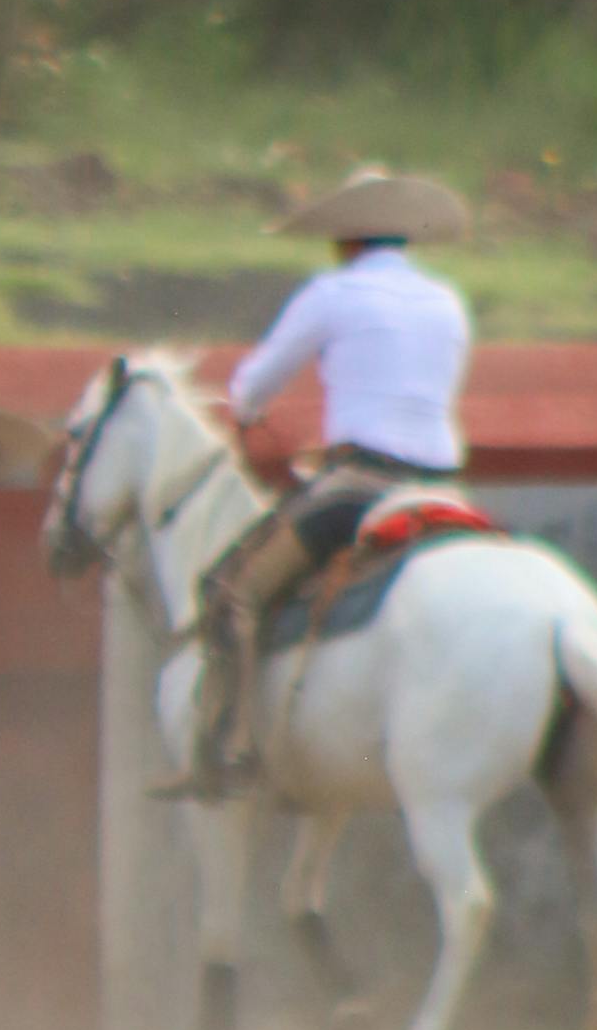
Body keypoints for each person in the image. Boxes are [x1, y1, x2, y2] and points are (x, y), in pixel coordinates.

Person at [164, 165, 475, 798]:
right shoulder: (447, 300)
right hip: (443, 490)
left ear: (345, 240)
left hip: (359, 486)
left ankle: (234, 749)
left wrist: (247, 411)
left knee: (233, 594)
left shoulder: (332, 295)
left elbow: (252, 386)